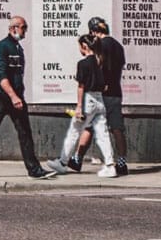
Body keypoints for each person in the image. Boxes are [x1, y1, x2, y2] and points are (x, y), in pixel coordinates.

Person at [0, 16, 56, 180]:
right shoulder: (2, 47)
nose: (25, 31)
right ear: (14, 28)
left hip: (16, 97)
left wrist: (18, 95)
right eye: (23, 27)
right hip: (1, 98)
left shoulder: (18, 48)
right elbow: (1, 76)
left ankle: (34, 170)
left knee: (25, 132)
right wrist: (13, 96)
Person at [46, 34, 117, 178]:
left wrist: (79, 106)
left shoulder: (83, 64)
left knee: (74, 131)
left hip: (88, 100)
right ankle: (110, 166)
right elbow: (106, 86)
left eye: (79, 46)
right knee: (103, 134)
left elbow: (81, 86)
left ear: (84, 47)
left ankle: (62, 162)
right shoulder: (101, 62)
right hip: (100, 100)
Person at [67, 16, 129, 176]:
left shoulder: (100, 45)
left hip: (99, 93)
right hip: (115, 92)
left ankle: (77, 159)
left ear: (94, 32)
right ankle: (122, 163)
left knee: (88, 127)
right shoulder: (118, 46)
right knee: (117, 128)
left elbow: (97, 65)